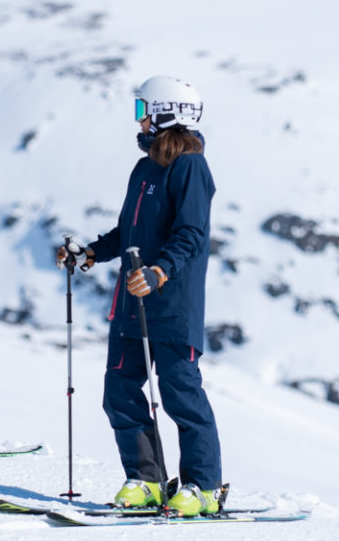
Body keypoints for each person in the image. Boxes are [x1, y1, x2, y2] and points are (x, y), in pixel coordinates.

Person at [56, 75, 223, 517]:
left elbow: (190, 234)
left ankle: (202, 487)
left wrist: (159, 271)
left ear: (168, 113)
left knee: (180, 396)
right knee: (120, 391)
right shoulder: (145, 167)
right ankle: (147, 480)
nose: (140, 118)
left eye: (143, 109)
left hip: (171, 305)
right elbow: (128, 232)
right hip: (132, 304)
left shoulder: (189, 168)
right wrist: (91, 252)